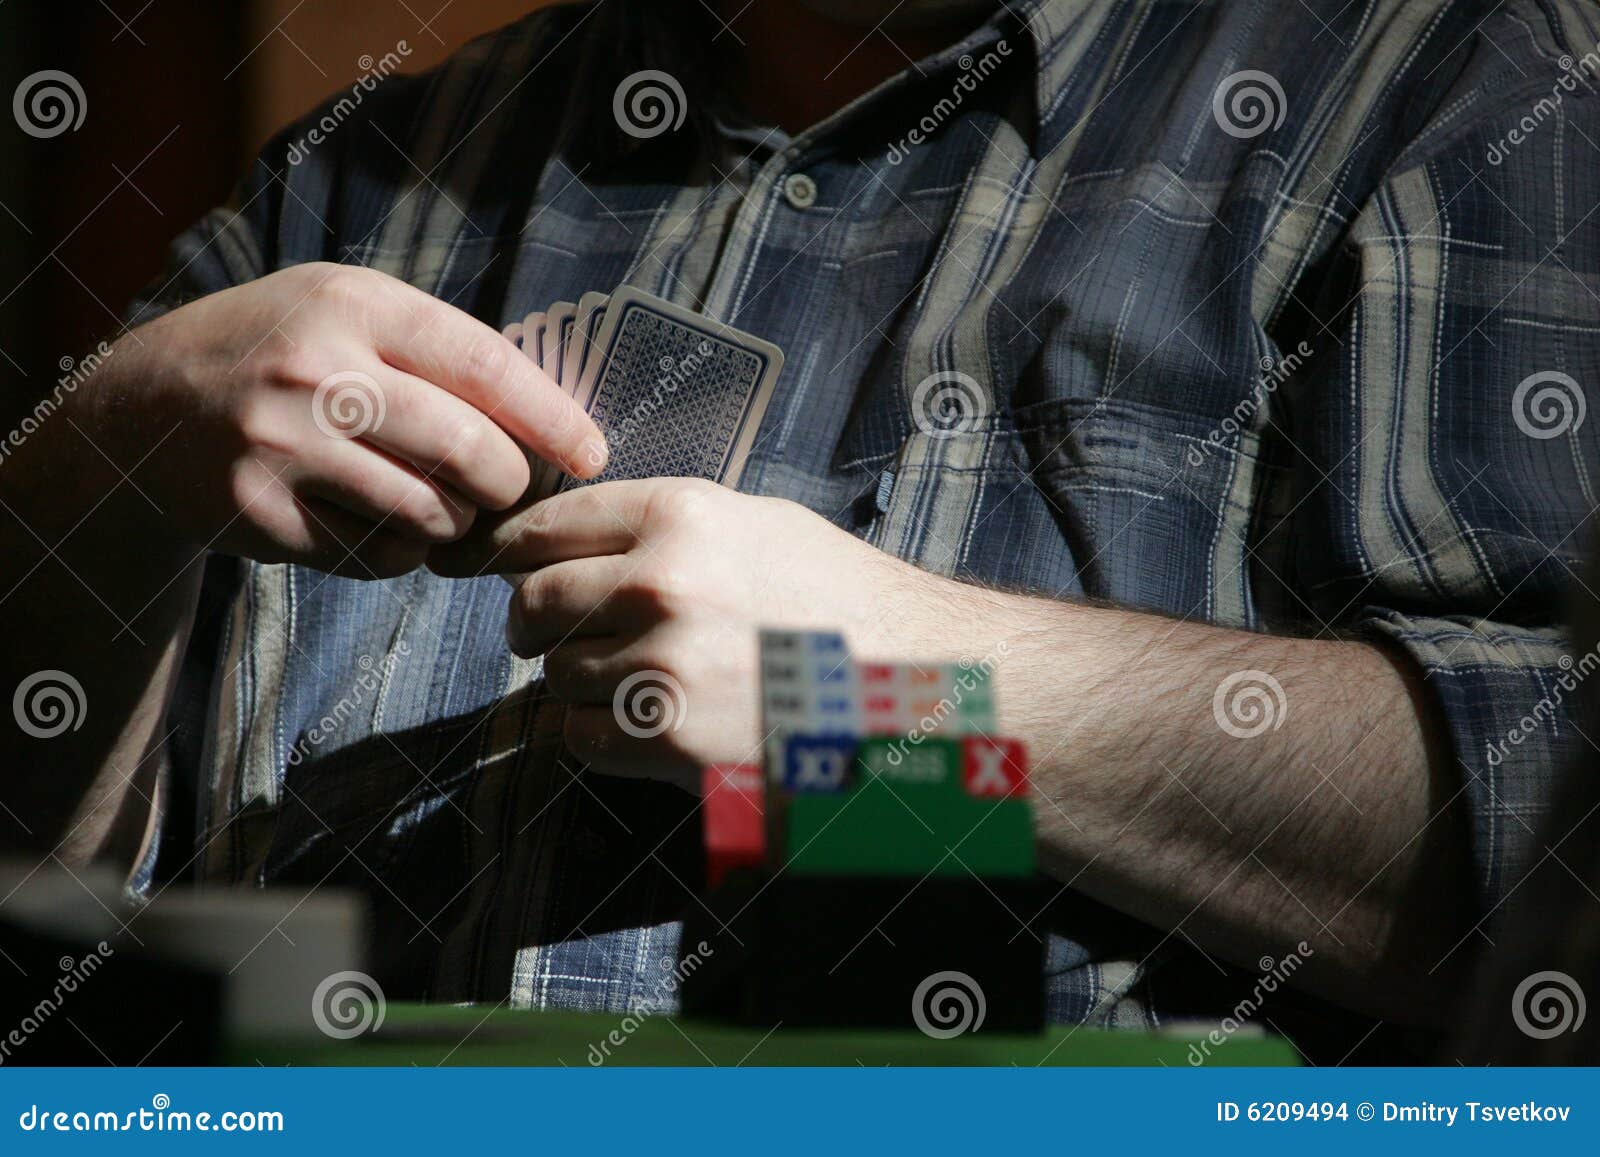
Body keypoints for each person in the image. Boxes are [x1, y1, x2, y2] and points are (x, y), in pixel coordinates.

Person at [2, 0, 1595, 1048]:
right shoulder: (350, 185)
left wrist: (905, 704)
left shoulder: (1463, 85)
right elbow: (49, 867)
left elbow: (1557, 857)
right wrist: (104, 455)